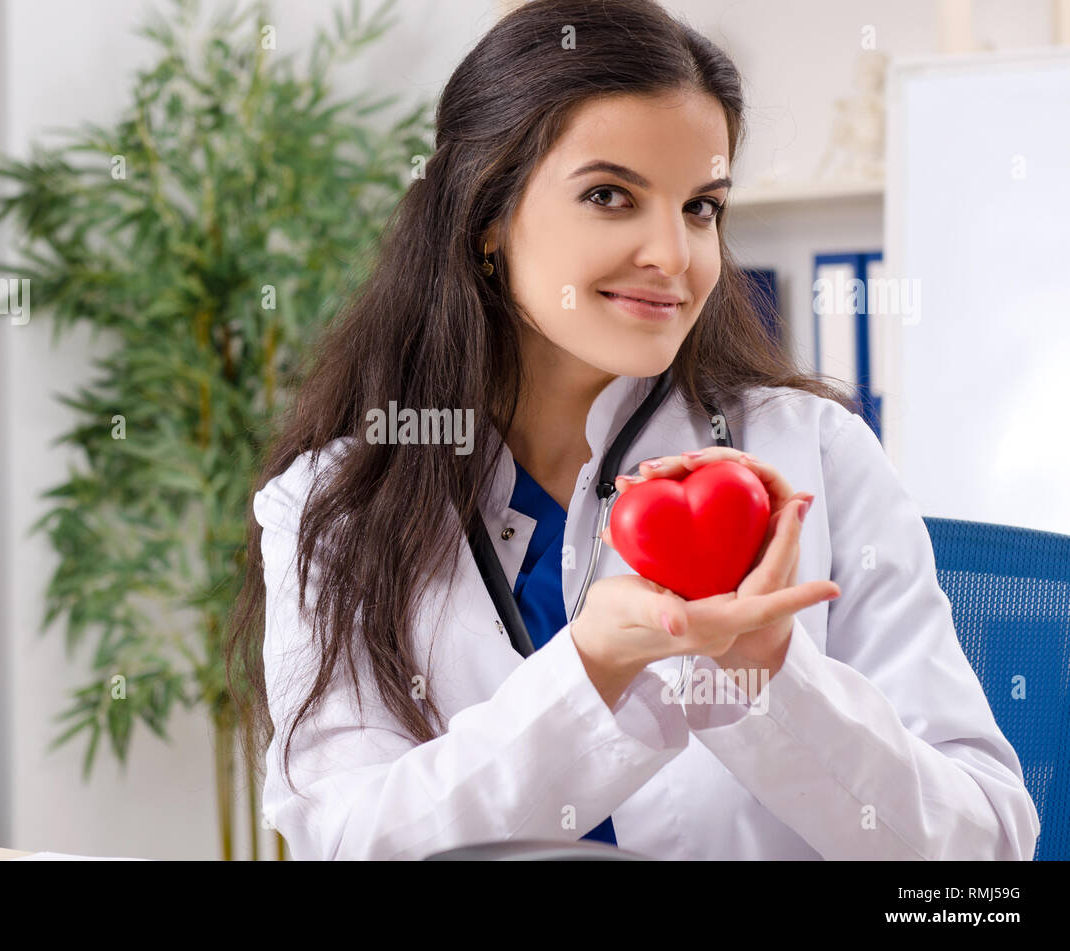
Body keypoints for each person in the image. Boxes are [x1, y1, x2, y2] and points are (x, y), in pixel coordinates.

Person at [224, 0, 1040, 861]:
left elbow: (983, 853)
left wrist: (769, 677)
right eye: (611, 196)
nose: (674, 255)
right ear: (485, 216)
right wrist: (591, 670)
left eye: (700, 207)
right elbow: (351, 839)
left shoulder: (819, 455)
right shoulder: (334, 504)